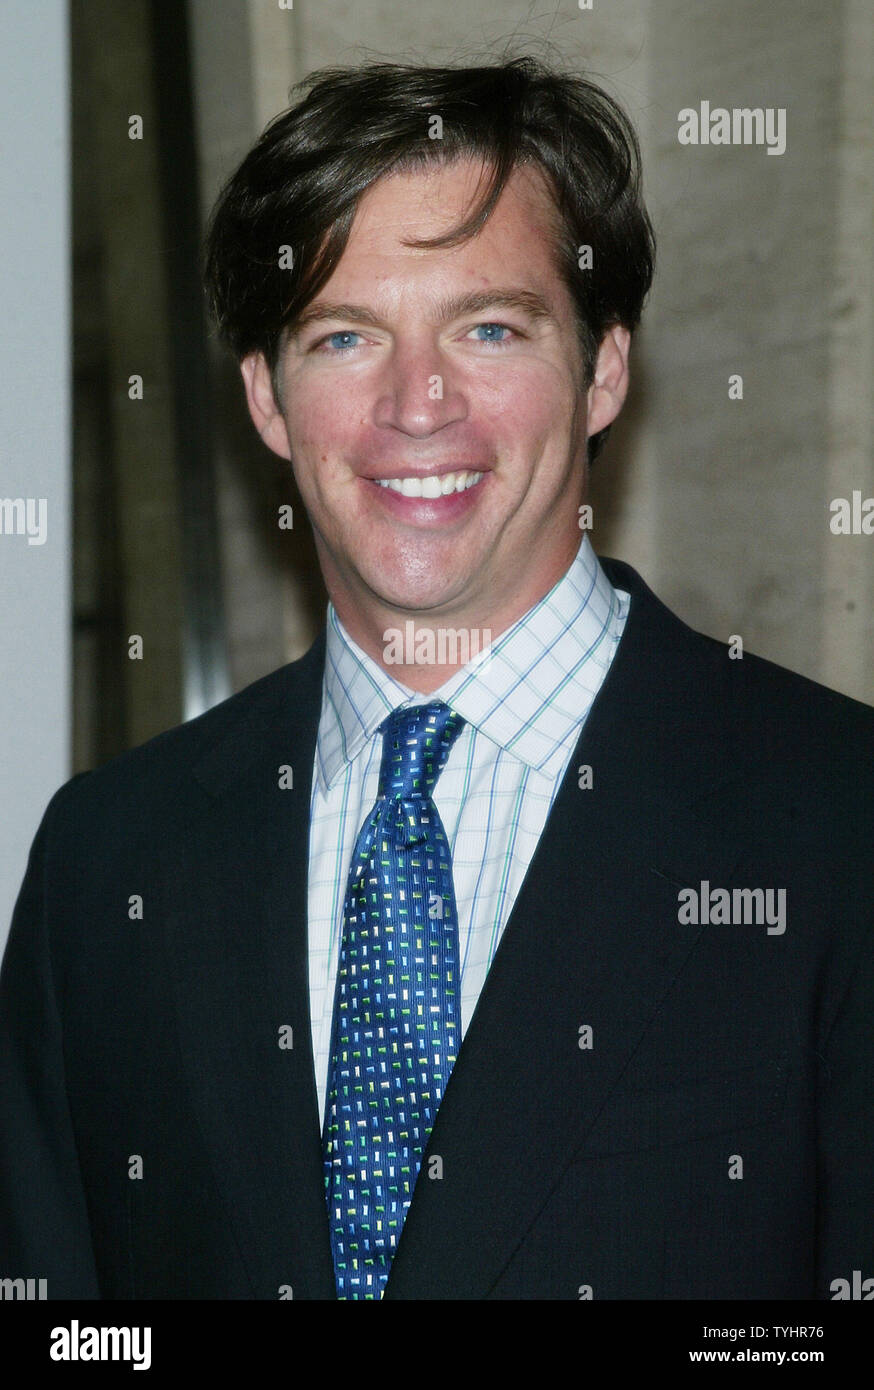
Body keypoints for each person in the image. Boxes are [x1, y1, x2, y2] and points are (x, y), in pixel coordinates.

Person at [1, 56, 872, 1302]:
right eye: (346, 335)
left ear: (603, 369)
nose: (418, 405)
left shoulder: (837, 820)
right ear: (265, 397)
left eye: (489, 327)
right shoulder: (109, 860)